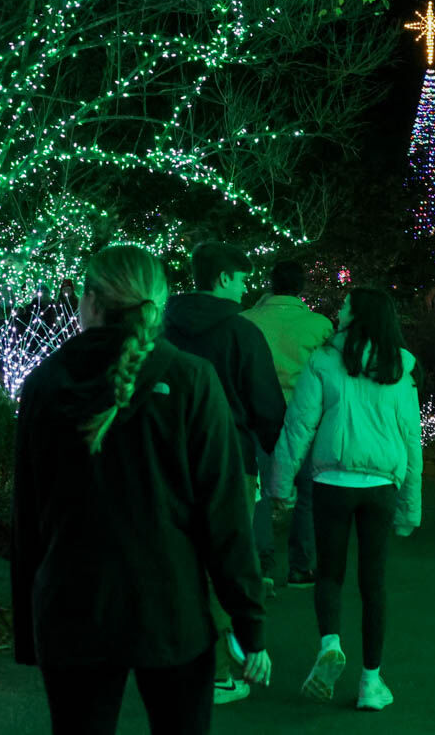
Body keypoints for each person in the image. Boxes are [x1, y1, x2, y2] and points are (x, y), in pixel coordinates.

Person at [13, 244, 269, 735]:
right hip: (171, 611)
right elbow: (224, 515)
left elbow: (29, 515)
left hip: (72, 609)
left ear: (89, 302)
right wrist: (247, 620)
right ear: (158, 302)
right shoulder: (191, 379)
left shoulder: (45, 384)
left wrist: (31, 627)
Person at [269, 286, 422, 712]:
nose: (337, 310)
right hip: (381, 488)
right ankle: (371, 682)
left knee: (330, 574)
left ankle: (330, 643)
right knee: (374, 585)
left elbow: (298, 426)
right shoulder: (399, 367)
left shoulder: (323, 360)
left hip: (332, 482)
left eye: (344, 305)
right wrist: (411, 505)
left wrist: (280, 485)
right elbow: (412, 442)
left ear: (357, 315)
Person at [162, 240, 285, 704]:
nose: (244, 286)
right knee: (228, 558)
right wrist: (280, 462)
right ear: (221, 279)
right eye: (239, 278)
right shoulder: (241, 333)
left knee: (181, 560)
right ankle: (219, 670)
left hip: (170, 459)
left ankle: (185, 659)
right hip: (230, 457)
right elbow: (267, 405)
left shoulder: (162, 328)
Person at [241, 260, 335, 589]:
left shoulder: (246, 320)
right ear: (301, 287)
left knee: (261, 491)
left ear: (269, 282)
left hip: (256, 415)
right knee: (308, 490)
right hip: (304, 418)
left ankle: (262, 566)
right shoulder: (319, 325)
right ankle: (301, 565)